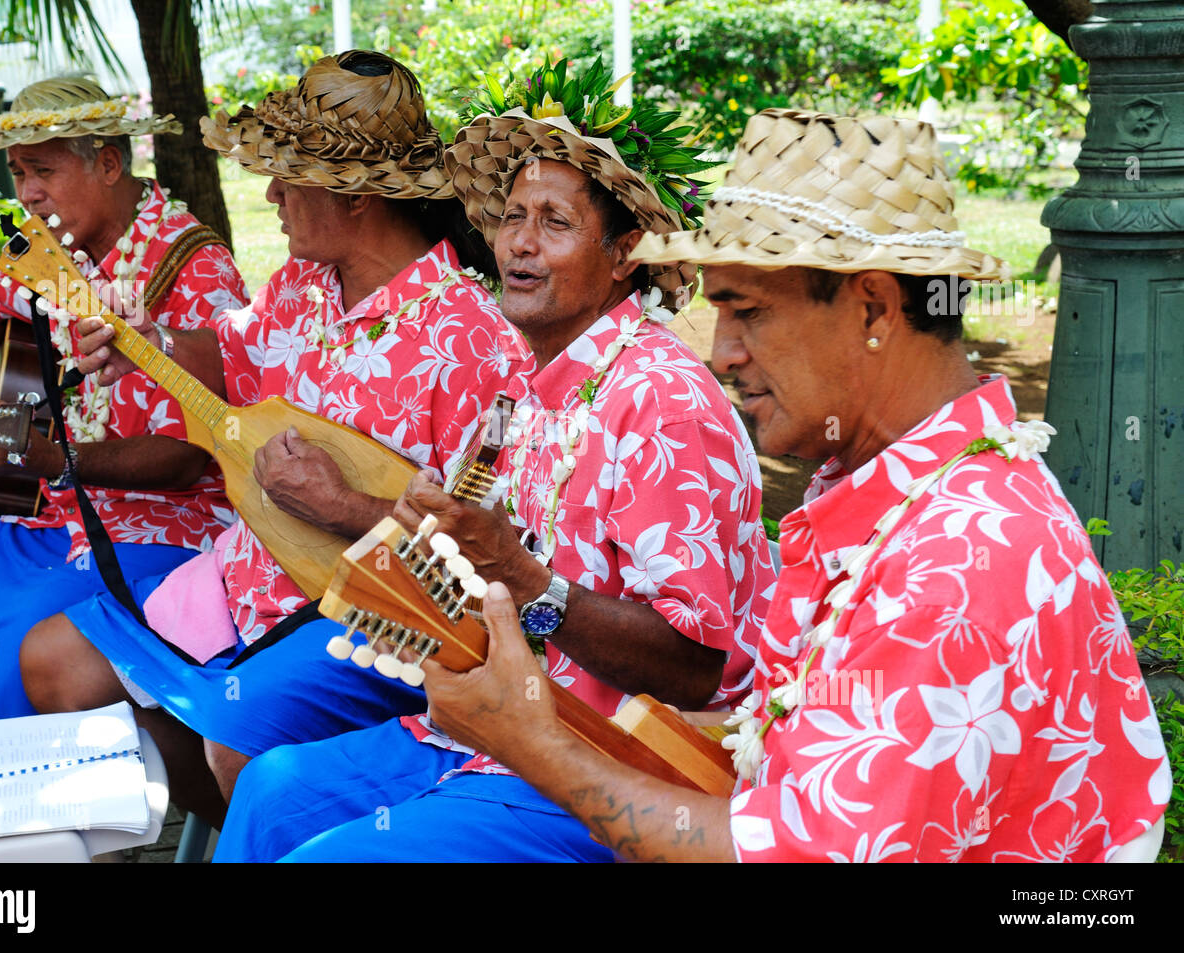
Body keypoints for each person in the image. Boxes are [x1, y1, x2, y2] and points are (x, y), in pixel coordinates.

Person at [410, 109, 1171, 861]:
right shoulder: (911, 497)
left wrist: (530, 740)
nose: (724, 352)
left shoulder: (954, 565)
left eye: (747, 312)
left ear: (873, 307)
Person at [211, 58, 777, 862]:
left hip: (605, 763)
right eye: (512, 216)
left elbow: (694, 664)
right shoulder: (534, 387)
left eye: (555, 221)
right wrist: (433, 553)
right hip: (493, 726)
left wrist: (526, 582)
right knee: (271, 791)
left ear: (624, 256)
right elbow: (488, 572)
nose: (519, 243)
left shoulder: (661, 400)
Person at [18, 51, 530, 823]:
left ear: (354, 196)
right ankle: (241, 827)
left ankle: (273, 826)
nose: (271, 195)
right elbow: (228, 355)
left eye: (288, 176)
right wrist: (143, 341)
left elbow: (482, 554)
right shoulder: (303, 284)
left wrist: (342, 503)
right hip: (247, 574)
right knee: (51, 661)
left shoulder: (470, 340)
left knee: (236, 744)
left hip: (359, 617)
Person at [0, 77, 247, 724]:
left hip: (170, 537)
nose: (26, 192)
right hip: (55, 519)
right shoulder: (49, 248)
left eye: (43, 170)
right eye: (18, 172)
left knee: (13, 639)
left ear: (108, 163)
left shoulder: (195, 265)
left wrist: (51, 458)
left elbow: (188, 458)